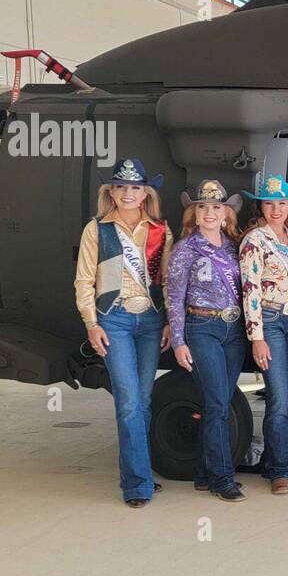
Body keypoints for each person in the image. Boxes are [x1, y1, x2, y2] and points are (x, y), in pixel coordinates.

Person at [73, 158, 173, 507]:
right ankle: (137, 484)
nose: (127, 193)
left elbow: (169, 282)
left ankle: (139, 470)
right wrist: (91, 323)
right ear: (111, 193)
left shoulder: (161, 229)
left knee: (143, 401)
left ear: (146, 193)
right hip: (113, 320)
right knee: (129, 402)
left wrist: (171, 322)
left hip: (149, 321)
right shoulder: (96, 229)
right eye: (120, 187)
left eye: (135, 187)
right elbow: (84, 280)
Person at [167, 180, 247, 503]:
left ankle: (203, 471)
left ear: (226, 213)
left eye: (216, 207)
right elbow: (174, 295)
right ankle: (222, 478)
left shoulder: (234, 246)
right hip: (202, 327)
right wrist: (178, 340)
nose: (210, 212)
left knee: (219, 404)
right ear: (195, 213)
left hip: (234, 330)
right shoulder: (185, 248)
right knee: (217, 404)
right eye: (203, 207)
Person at [240, 173, 288, 496]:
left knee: (282, 397)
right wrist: (257, 336)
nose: (276, 209)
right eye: (269, 204)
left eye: (281, 203)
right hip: (269, 321)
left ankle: (277, 461)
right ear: (262, 207)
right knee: (279, 398)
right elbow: (250, 290)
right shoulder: (254, 240)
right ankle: (279, 470)